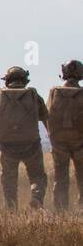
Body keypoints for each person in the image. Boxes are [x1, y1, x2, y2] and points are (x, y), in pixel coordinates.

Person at [0, 66, 48, 209]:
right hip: (32, 144)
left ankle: (11, 207)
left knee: (9, 179)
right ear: (24, 80)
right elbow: (45, 117)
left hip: (7, 146)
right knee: (37, 176)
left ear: (7, 80)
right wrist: (53, 136)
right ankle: (36, 197)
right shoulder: (33, 95)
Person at [47, 60, 83, 210]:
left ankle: (61, 210)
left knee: (60, 177)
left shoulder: (54, 92)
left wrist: (53, 138)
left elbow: (47, 115)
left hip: (59, 142)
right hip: (80, 141)